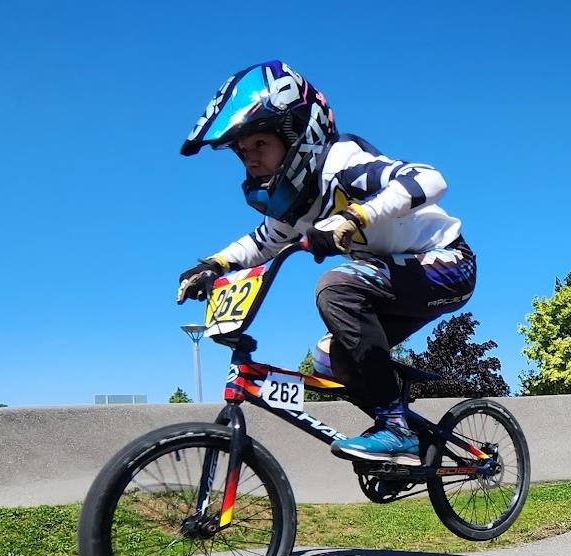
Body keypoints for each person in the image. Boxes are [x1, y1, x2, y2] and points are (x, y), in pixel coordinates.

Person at [176, 61, 476, 465]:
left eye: (259, 145)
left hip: (447, 264)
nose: (250, 161)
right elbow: (262, 242)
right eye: (242, 152)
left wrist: (354, 216)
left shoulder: (341, 164)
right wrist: (212, 265)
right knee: (327, 358)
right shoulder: (297, 204)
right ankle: (399, 425)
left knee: (336, 286)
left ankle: (394, 426)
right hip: (390, 280)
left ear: (297, 133)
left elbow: (430, 180)